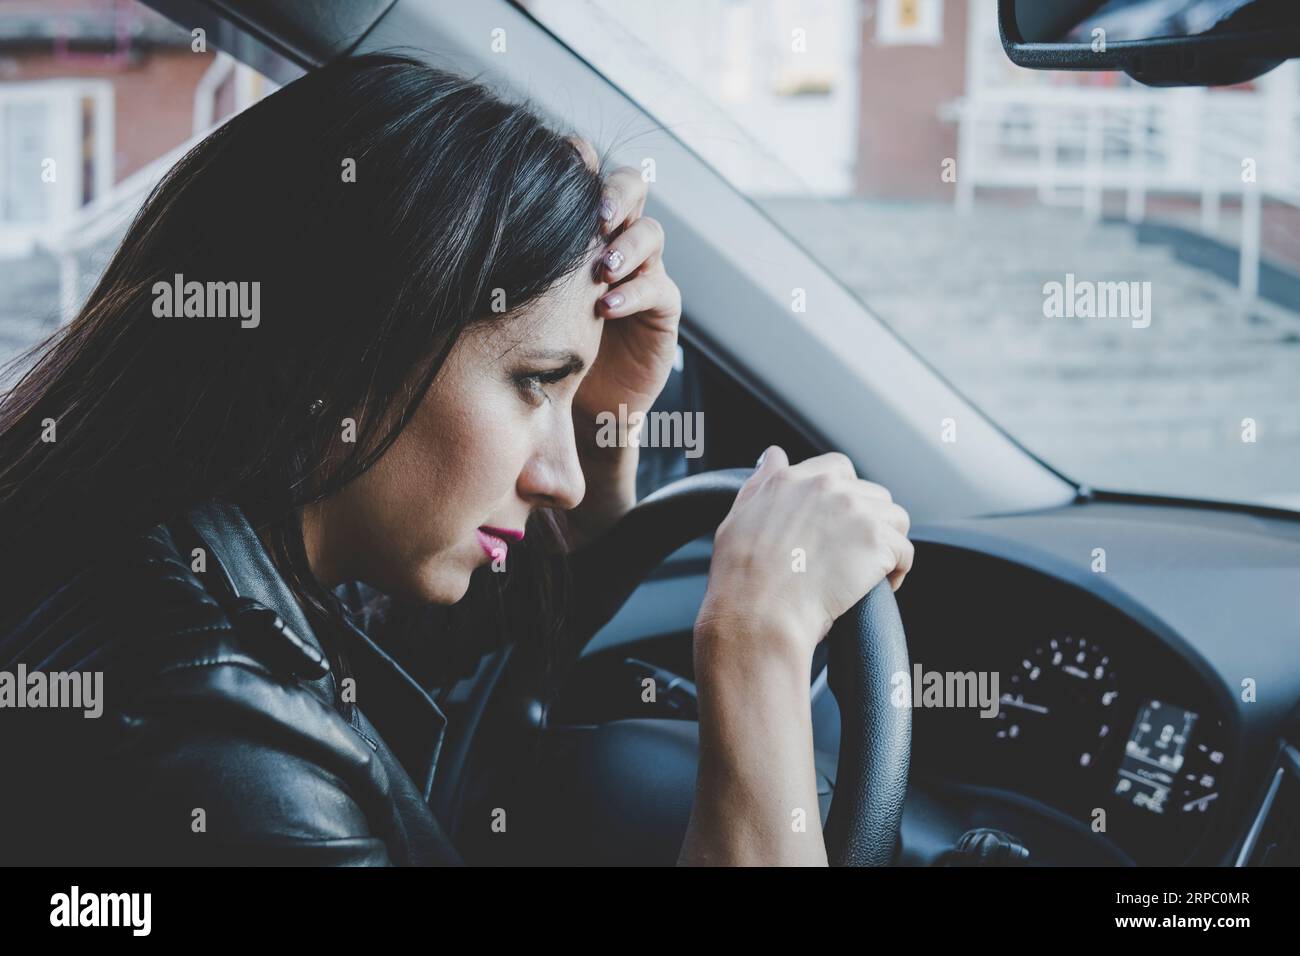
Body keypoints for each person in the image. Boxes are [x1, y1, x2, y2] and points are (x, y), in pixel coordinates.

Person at [0, 51, 912, 866]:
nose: (561, 479)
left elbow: (457, 654)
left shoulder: (190, 557)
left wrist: (598, 412)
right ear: (345, 345)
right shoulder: (222, 759)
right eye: (531, 382)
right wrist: (756, 656)